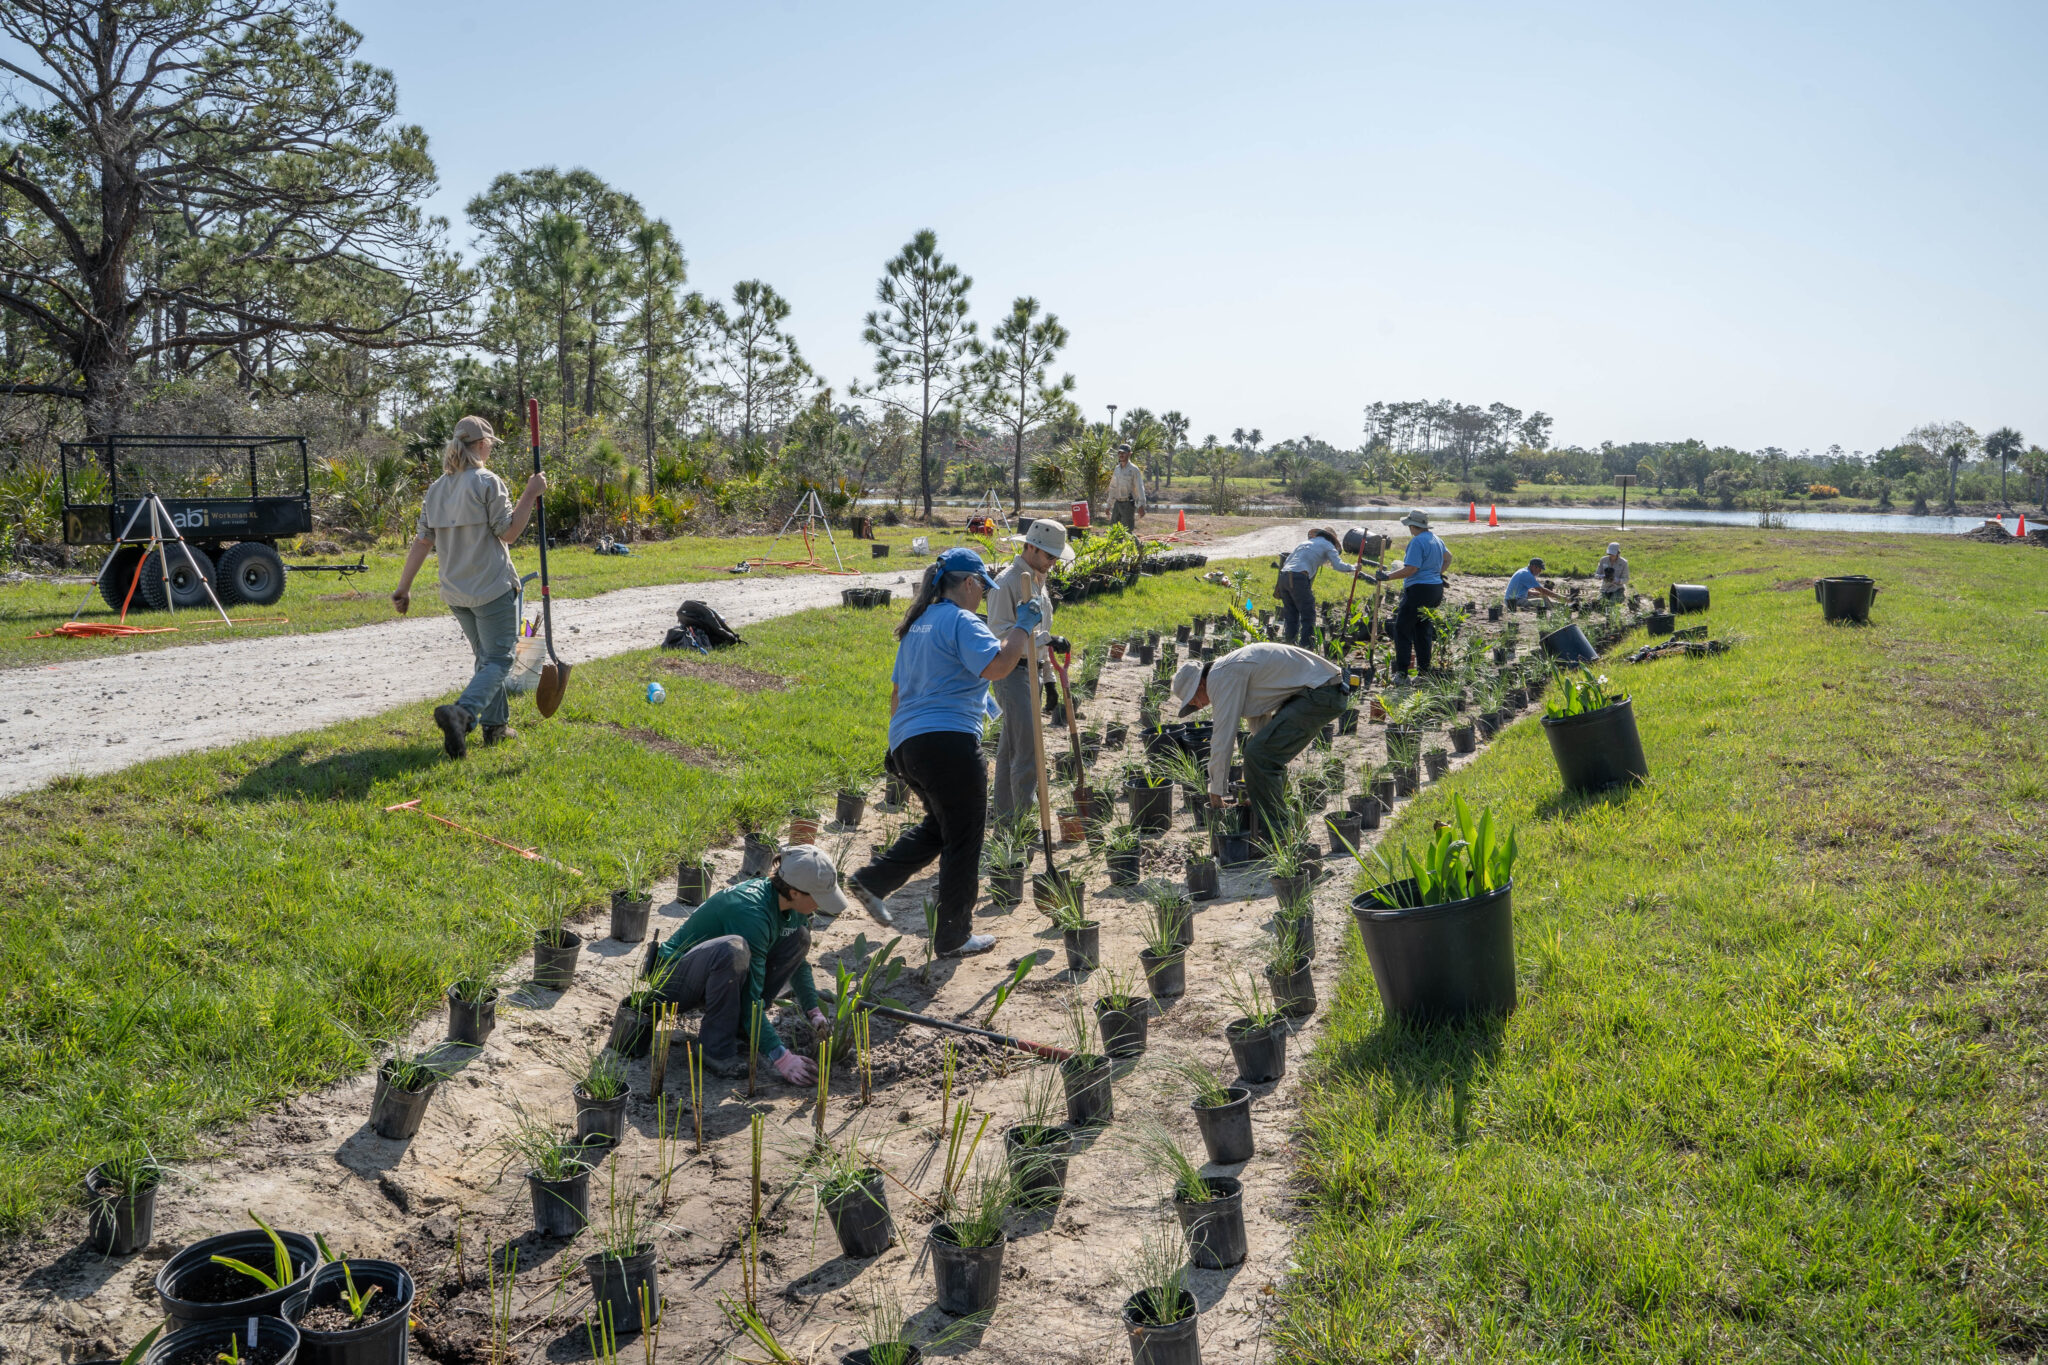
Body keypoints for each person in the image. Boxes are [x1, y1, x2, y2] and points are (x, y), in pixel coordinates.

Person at [845, 547, 1038, 957]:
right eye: (982, 587)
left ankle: (873, 881)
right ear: (968, 583)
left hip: (908, 744)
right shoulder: (962, 621)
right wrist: (1022, 626)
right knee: (965, 839)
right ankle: (953, 935)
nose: (983, 595)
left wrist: (896, 748)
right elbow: (999, 666)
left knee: (942, 826)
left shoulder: (919, 625)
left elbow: (898, 694)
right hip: (950, 742)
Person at [392, 415, 547, 758]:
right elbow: (508, 532)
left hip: (456, 592)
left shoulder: (436, 489)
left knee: (485, 659)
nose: (490, 448)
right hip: (491, 587)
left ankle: (496, 727)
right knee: (500, 659)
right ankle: (462, 713)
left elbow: (422, 542)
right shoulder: (487, 482)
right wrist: (531, 494)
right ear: (480, 445)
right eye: (489, 443)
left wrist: (404, 588)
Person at [647, 845, 846, 1083]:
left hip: (712, 977)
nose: (821, 905)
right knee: (733, 950)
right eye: (818, 898)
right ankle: (713, 1048)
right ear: (794, 892)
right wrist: (781, 1057)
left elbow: (798, 963)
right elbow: (751, 996)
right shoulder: (752, 912)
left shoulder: (791, 906)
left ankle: (741, 1029)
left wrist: (813, 1011)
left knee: (800, 937)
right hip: (672, 981)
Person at [1170, 643, 1349, 840]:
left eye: (1193, 699)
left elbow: (1223, 738)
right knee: (1262, 755)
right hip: (1323, 689)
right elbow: (1261, 725)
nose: (1196, 705)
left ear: (1200, 685)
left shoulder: (1220, 678)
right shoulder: (1228, 671)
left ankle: (1279, 839)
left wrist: (1216, 792)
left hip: (1322, 691)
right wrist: (1256, 790)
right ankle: (1291, 827)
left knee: (1259, 755)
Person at [985, 520, 1073, 819]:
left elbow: (1038, 636)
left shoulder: (1037, 580)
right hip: (1011, 672)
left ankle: (1005, 818)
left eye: (1056, 558)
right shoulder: (1008, 582)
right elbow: (998, 636)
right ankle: (1020, 823)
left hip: (1031, 671)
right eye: (1049, 556)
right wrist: (1046, 639)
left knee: (1012, 748)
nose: (1053, 562)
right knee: (1028, 752)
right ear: (1031, 547)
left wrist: (1048, 679)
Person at [1374, 510, 1453, 677]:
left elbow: (1411, 569)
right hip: (1435, 589)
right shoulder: (1436, 539)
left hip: (1419, 590)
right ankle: (1424, 671)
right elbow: (1448, 557)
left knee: (1402, 628)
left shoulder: (1417, 542)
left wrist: (1387, 577)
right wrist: (1437, 573)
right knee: (1423, 629)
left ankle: (1402, 673)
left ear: (1412, 526)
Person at [1276, 527, 1365, 648]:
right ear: (1333, 540)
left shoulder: (1305, 543)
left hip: (1283, 577)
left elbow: (1286, 562)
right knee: (1309, 614)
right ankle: (1306, 647)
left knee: (1292, 615)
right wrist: (1354, 567)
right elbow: (1338, 565)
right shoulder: (1328, 545)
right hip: (1298, 577)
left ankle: (1289, 645)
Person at [1107, 443, 1147, 531]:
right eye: (1119, 453)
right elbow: (1113, 487)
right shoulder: (1117, 469)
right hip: (1117, 503)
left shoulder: (1134, 469)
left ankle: (1138, 545)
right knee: (1114, 531)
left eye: (1123, 453)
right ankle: (1116, 545)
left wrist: (1141, 505)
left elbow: (1139, 487)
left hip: (1128, 504)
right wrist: (1109, 504)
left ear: (1129, 454)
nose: (1121, 455)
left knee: (1128, 531)